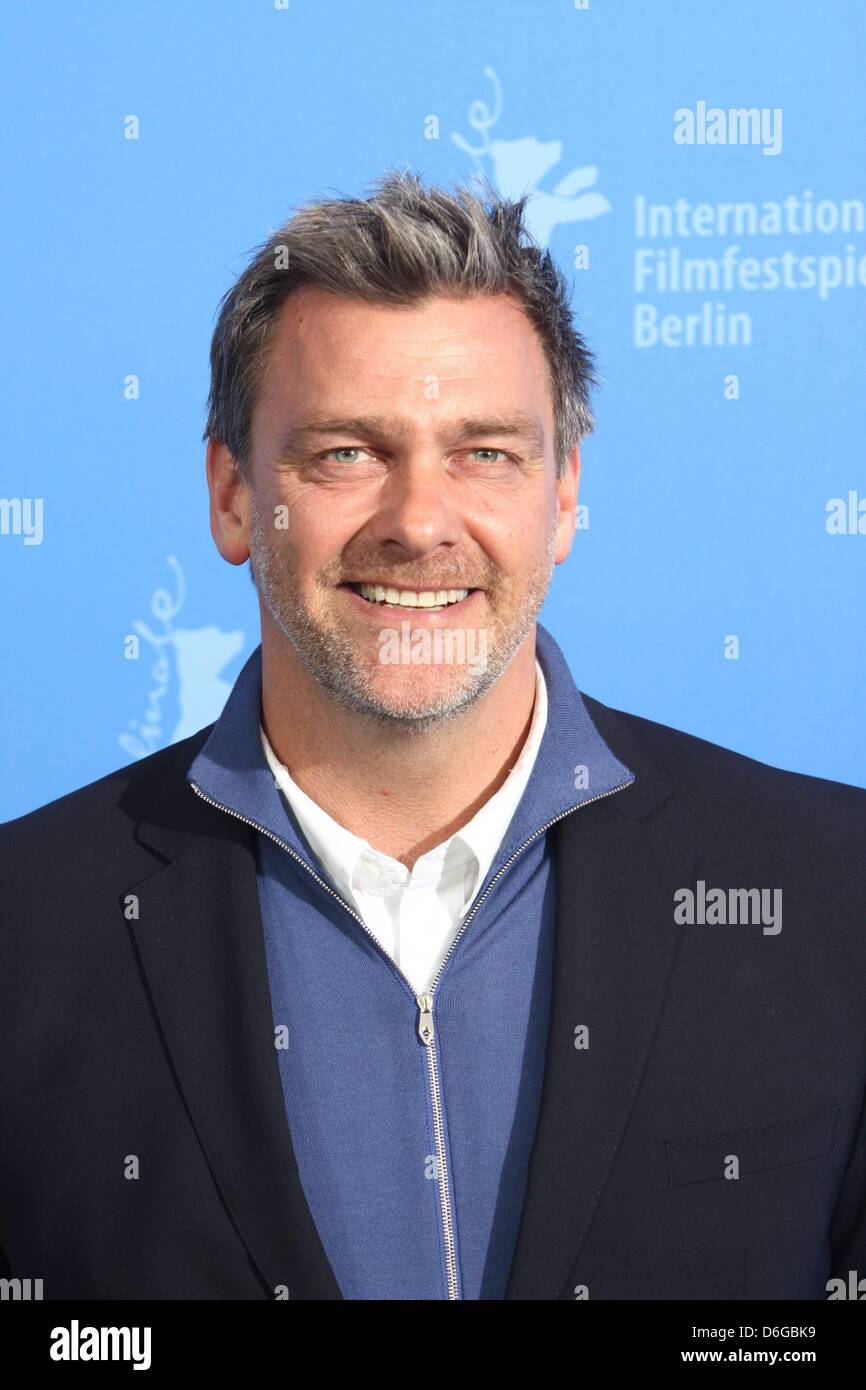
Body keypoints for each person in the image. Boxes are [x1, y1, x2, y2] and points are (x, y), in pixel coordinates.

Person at [2, 171, 864, 1301]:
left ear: (561, 499)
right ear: (229, 496)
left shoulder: (832, 891)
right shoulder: (25, 929)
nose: (417, 521)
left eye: (485, 453)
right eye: (345, 453)